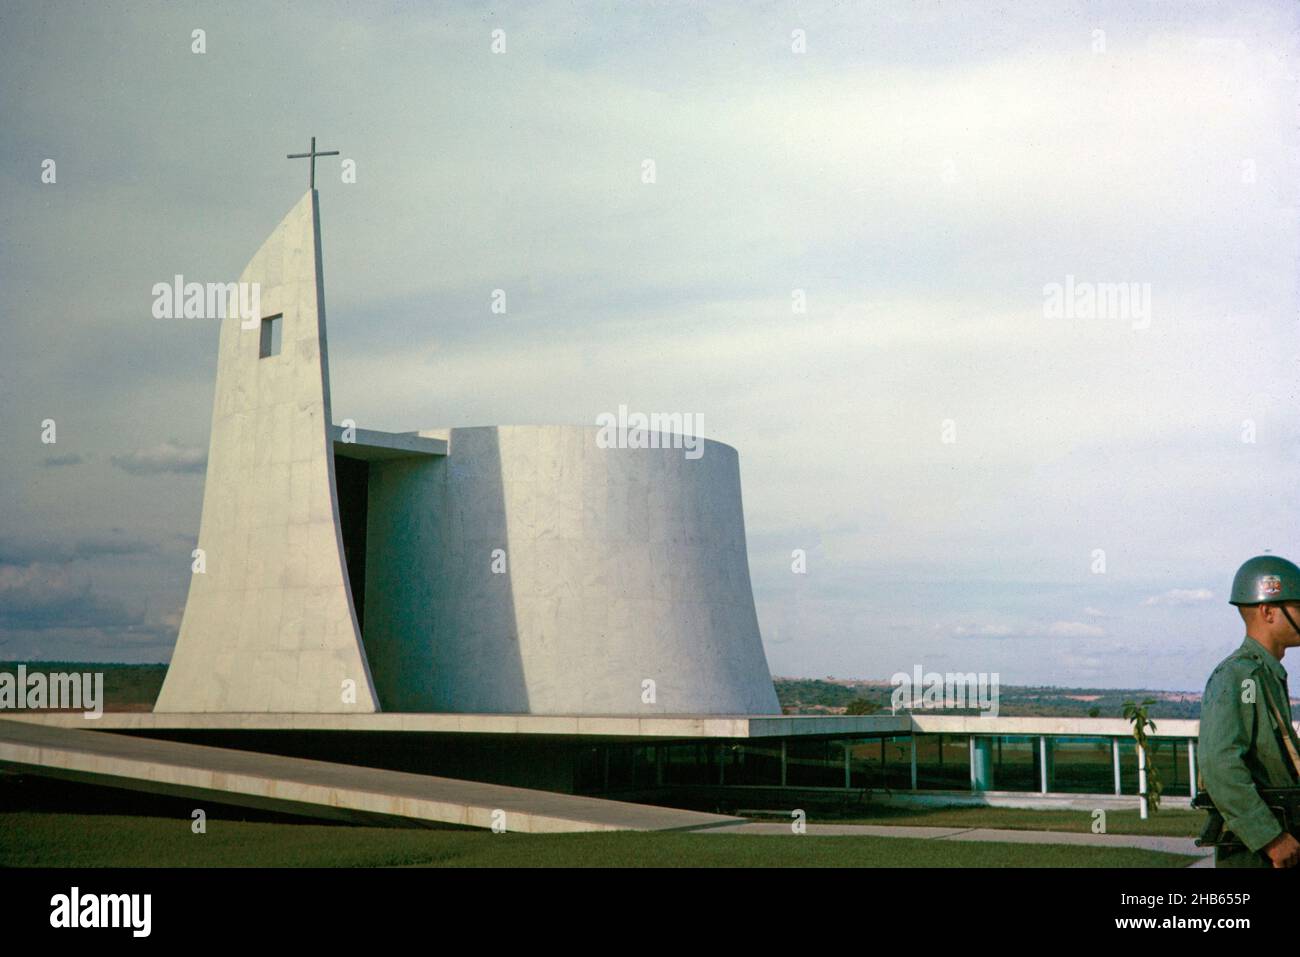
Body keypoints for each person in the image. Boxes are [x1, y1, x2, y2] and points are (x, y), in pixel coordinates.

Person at [1199, 555, 1300, 867]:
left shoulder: (1265, 675)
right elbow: (1219, 763)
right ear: (1268, 611)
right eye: (1298, 606)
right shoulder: (1239, 675)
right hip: (1258, 854)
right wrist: (1271, 838)